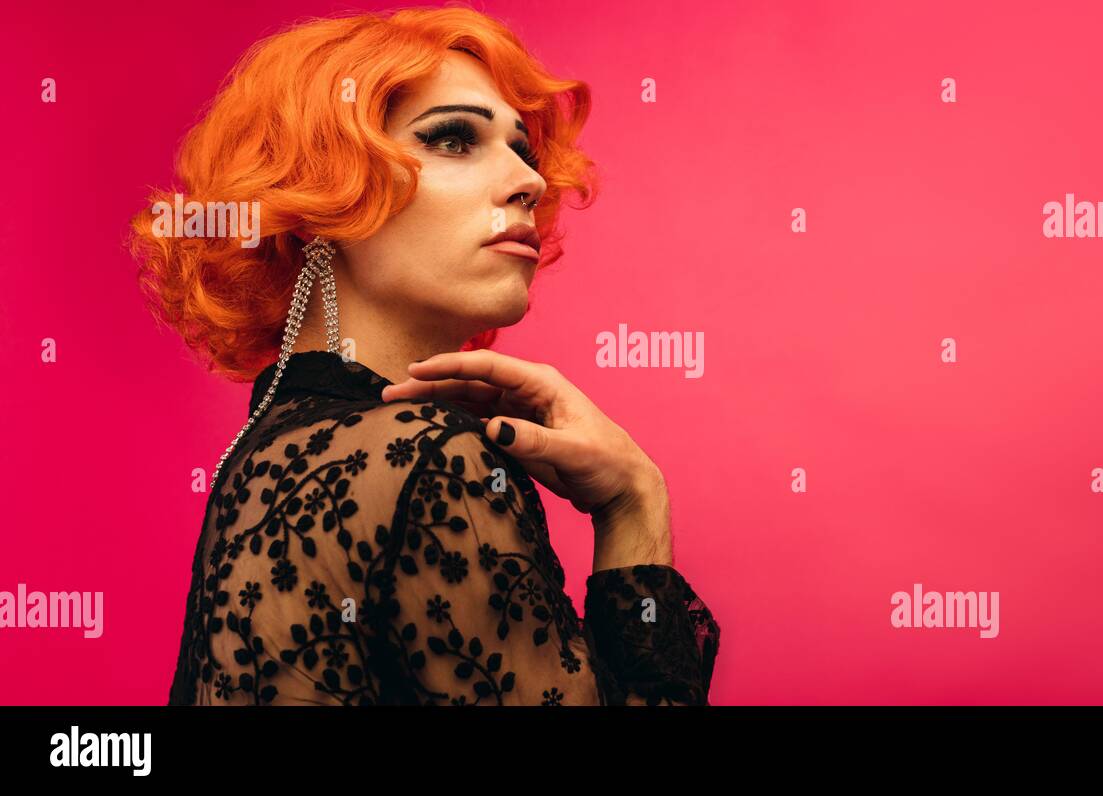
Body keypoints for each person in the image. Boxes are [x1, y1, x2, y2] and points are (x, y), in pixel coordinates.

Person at [130, 6, 720, 706]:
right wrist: (634, 505)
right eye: (453, 139)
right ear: (325, 193)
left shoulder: (259, 460)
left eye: (524, 152)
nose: (528, 183)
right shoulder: (429, 458)